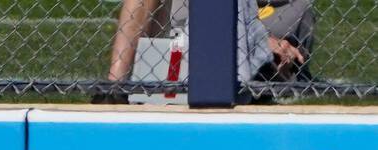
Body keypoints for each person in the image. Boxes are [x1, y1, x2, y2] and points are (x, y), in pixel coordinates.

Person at [102, 0, 311, 102]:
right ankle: (115, 90)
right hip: (199, 17)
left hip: (277, 9)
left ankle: (261, 84)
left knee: (281, 62)